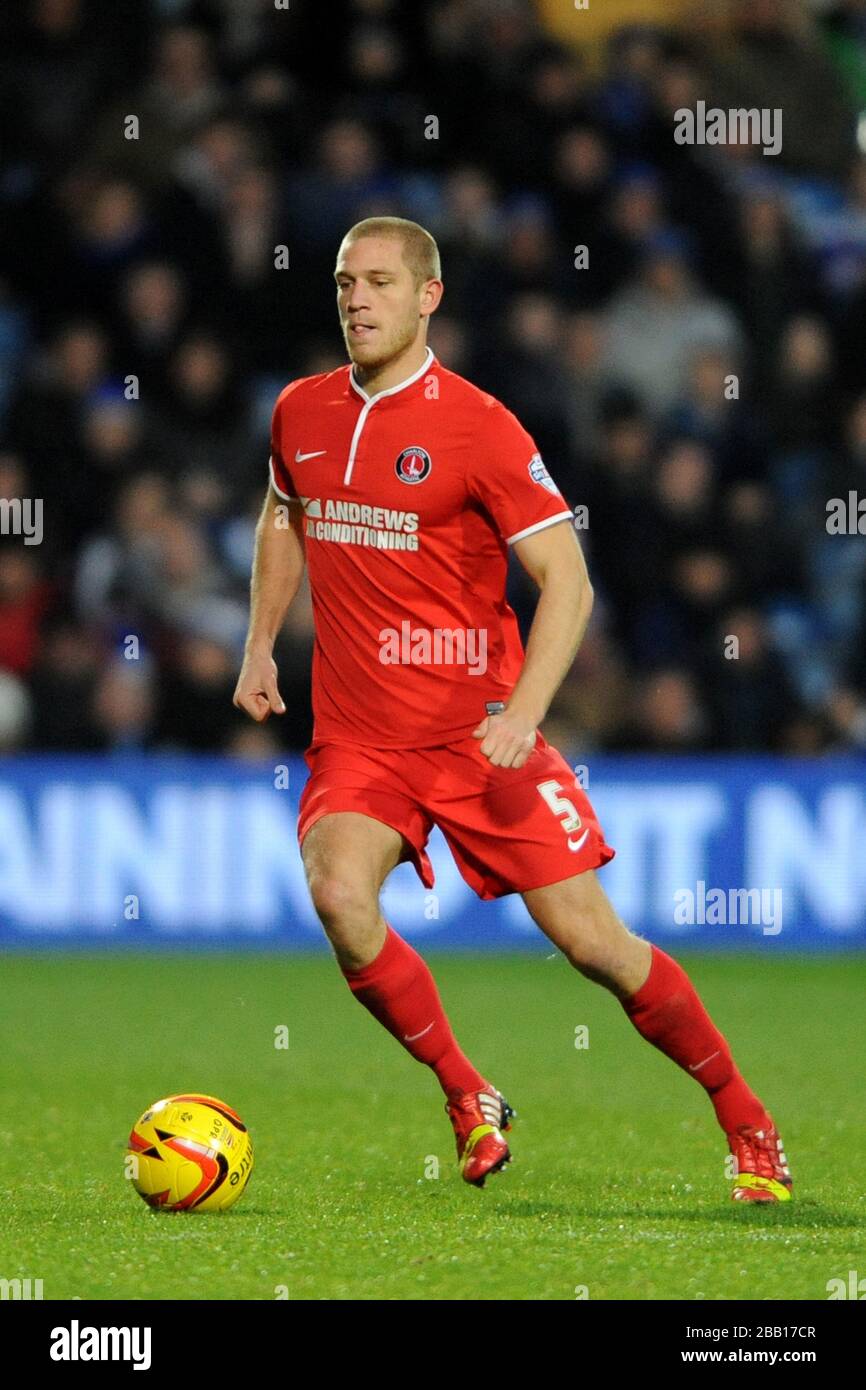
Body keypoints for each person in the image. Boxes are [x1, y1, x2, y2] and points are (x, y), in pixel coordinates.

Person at [233, 216, 791, 1201]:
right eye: (342, 283)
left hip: (477, 732)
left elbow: (565, 583)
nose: (356, 300)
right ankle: (464, 1091)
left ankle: (744, 1116)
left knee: (594, 947)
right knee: (337, 897)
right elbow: (284, 513)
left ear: (426, 297)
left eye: (376, 282)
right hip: (361, 739)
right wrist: (257, 644)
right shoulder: (299, 412)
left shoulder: (480, 426)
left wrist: (523, 712)